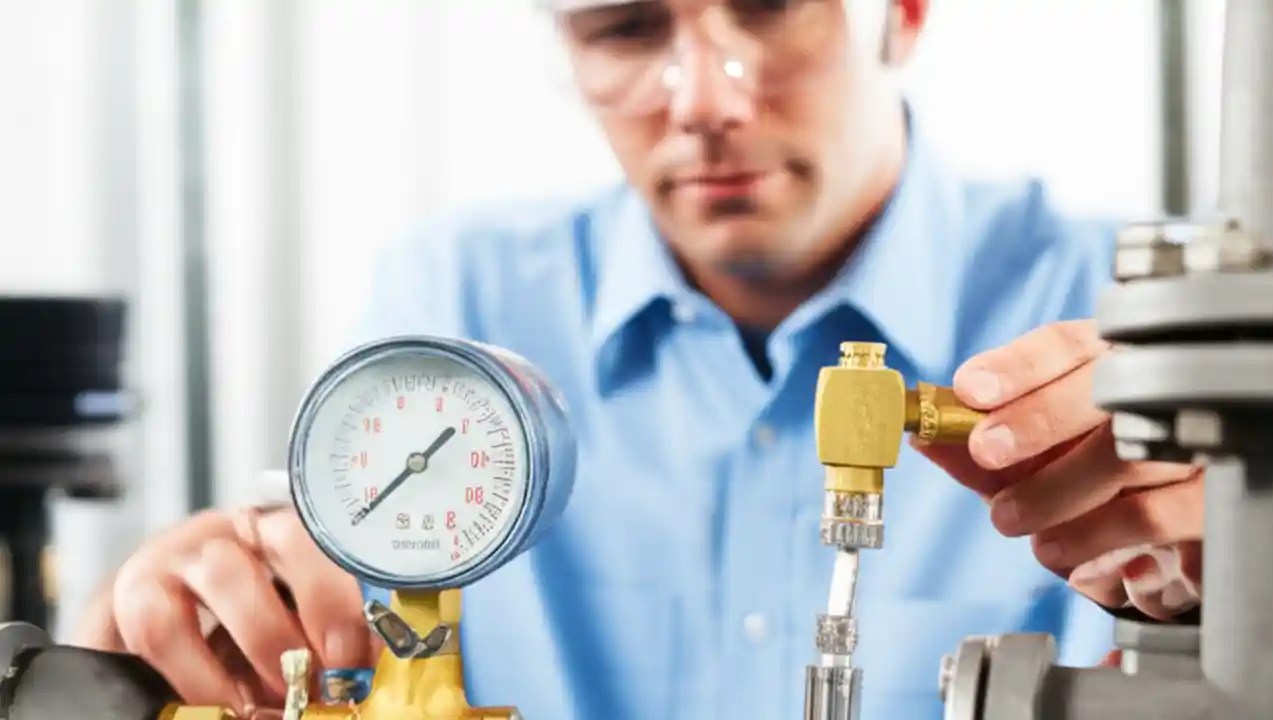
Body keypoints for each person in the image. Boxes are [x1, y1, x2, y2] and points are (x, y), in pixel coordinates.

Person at [72, 1, 1206, 718]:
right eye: (625, 28)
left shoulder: (1124, 315)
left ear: (900, 14)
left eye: (766, 8)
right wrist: (228, 605)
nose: (702, 99)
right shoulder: (454, 300)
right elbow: (346, 616)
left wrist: (1230, 570)